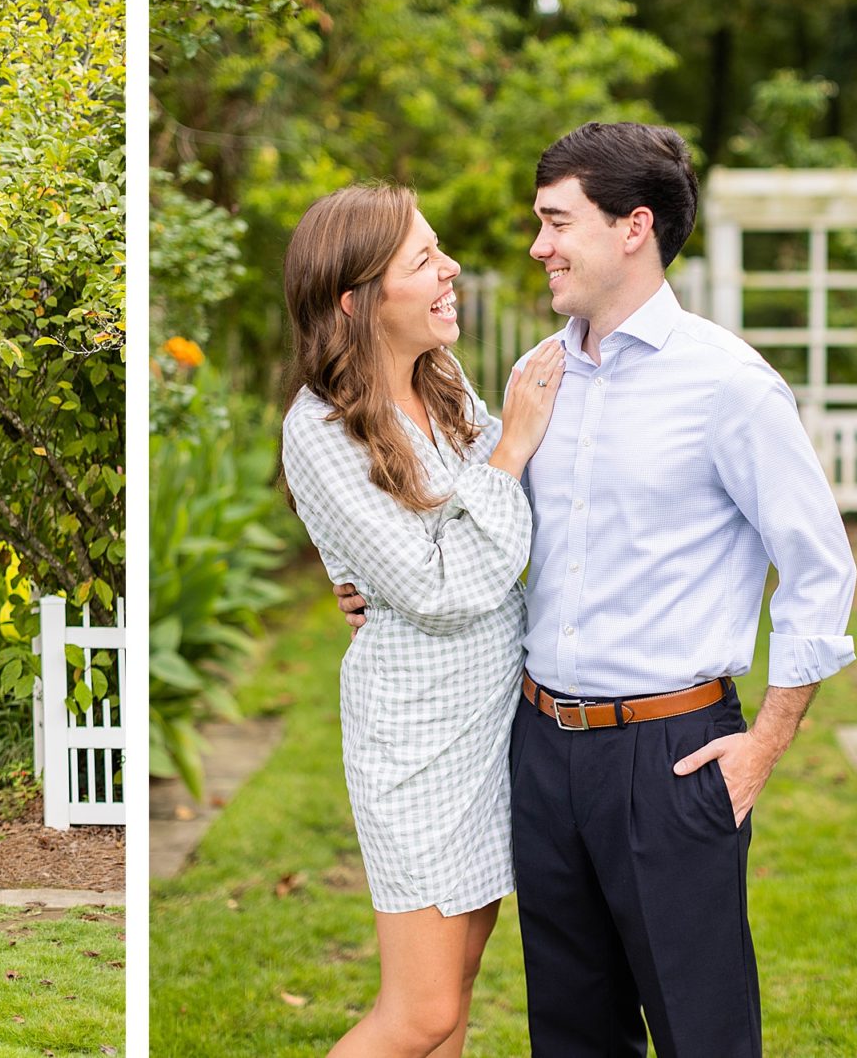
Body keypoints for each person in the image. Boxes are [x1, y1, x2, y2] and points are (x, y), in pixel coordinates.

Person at [339, 122, 857, 1057]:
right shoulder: (540, 376)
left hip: (673, 756)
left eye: (556, 222)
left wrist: (764, 744)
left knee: (703, 1033)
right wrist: (376, 578)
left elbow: (821, 570)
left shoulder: (729, 386)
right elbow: (484, 526)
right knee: (573, 1037)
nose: (539, 246)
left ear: (634, 228)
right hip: (541, 753)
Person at [278, 182, 567, 1058]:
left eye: (438, 249)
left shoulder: (437, 383)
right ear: (357, 301)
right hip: (418, 740)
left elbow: (479, 531)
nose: (450, 271)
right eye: (423, 260)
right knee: (421, 1013)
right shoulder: (321, 428)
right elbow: (445, 586)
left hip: (491, 723)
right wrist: (510, 448)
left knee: (458, 993)